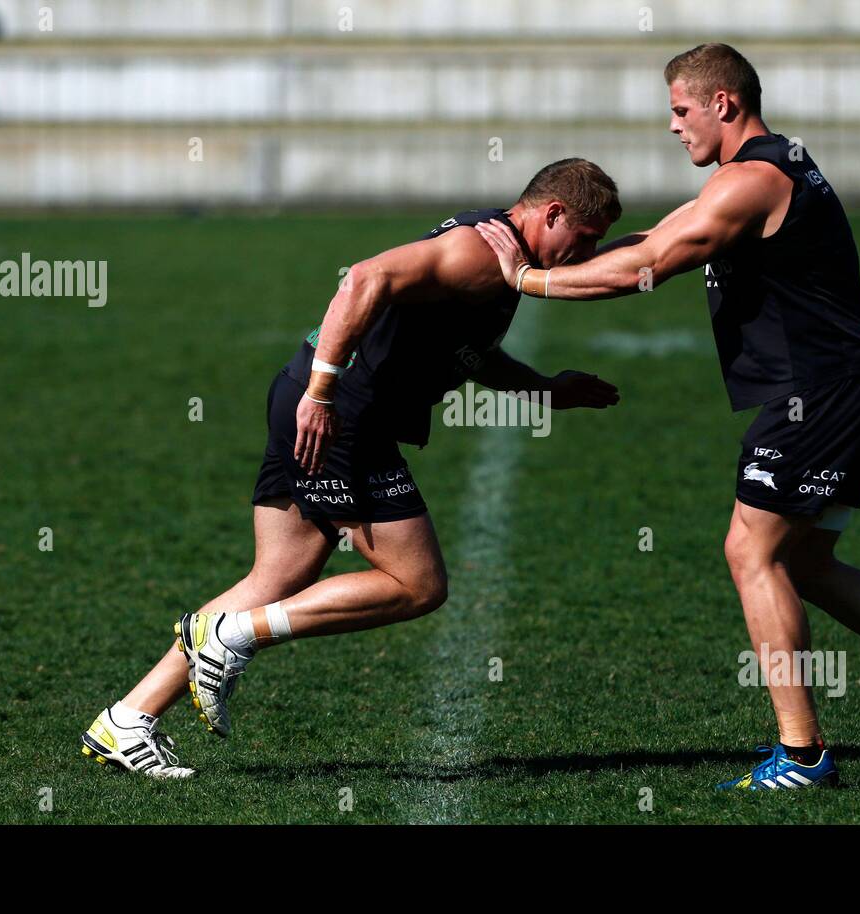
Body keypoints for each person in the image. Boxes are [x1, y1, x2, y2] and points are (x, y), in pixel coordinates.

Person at [473, 45, 860, 789]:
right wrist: (558, 261)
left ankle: (802, 755)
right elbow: (652, 240)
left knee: (750, 552)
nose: (672, 126)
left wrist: (526, 277)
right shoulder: (754, 170)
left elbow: (646, 266)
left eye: (680, 109)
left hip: (822, 390)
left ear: (722, 104)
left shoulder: (754, 180)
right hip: (846, 381)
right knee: (805, 561)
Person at [81, 158, 622, 778]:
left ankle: (127, 719)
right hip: (339, 417)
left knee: (278, 574)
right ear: (552, 214)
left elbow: (471, 355)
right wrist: (323, 393)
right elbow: (364, 278)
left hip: (308, 400)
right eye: (585, 238)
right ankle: (233, 636)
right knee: (418, 584)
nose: (587, 254)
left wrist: (546, 389)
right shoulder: (479, 252)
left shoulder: (501, 262)